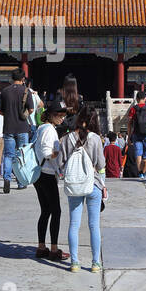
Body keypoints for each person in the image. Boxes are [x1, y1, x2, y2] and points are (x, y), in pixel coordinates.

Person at [56, 106, 107, 272]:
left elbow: (60, 164)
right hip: (93, 184)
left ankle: (75, 262)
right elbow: (101, 165)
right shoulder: (96, 139)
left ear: (79, 119)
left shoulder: (67, 138)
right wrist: (103, 184)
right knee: (94, 225)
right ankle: (95, 263)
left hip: (74, 185)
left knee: (74, 224)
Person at [32, 99, 70, 262]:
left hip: (39, 174)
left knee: (45, 210)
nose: (61, 118)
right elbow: (48, 153)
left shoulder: (41, 128)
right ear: (50, 115)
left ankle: (41, 247)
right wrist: (58, 150)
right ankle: (54, 249)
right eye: (58, 115)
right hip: (47, 173)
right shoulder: (49, 130)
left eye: (63, 115)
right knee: (56, 211)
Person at [0, 67, 34, 193]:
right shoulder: (26, 91)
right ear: (23, 79)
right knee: (21, 156)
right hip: (22, 127)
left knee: (8, 155)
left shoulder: (5, 91)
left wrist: (8, 114)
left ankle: (6, 179)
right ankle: (20, 182)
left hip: (8, 127)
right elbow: (31, 110)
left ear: (12, 78)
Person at [126, 94, 146, 178]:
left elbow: (129, 124)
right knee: (145, 156)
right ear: (145, 98)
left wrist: (129, 136)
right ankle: (143, 172)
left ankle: (140, 173)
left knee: (138, 154)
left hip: (136, 134)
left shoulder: (133, 109)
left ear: (137, 98)